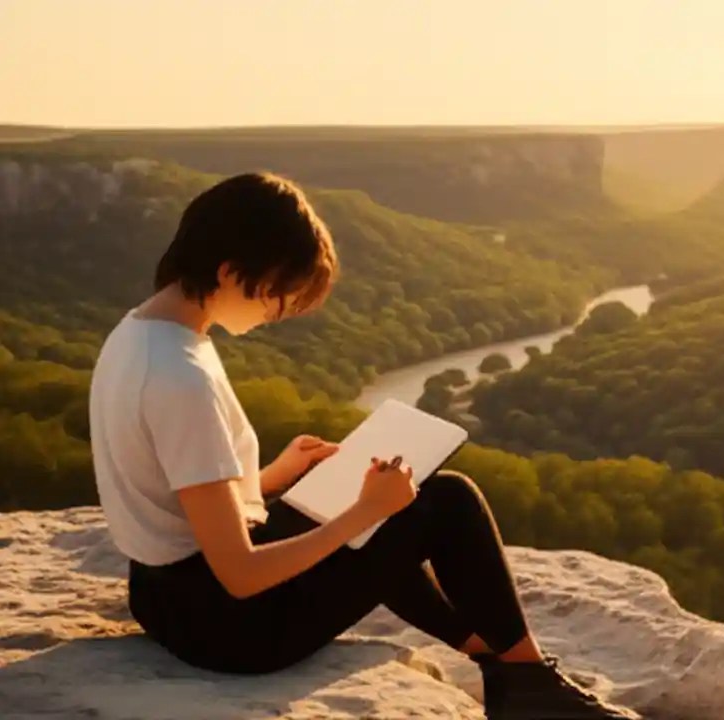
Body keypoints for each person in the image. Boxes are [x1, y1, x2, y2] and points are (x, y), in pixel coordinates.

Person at [87, 171, 641, 720]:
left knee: (366, 506)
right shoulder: (182, 377)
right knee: (444, 501)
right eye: (277, 296)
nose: (277, 314)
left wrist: (277, 476)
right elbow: (241, 574)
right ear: (230, 272)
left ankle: (494, 659)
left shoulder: (139, 336)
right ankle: (529, 683)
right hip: (233, 630)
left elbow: (177, 500)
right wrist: (362, 514)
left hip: (163, 599)